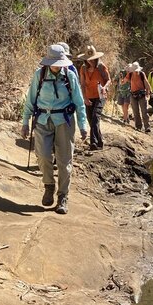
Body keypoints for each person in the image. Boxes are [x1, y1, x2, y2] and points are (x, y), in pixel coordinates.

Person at [22, 43, 88, 215]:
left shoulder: (70, 76)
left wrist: (83, 125)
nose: (57, 66)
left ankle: (63, 196)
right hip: (43, 119)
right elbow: (30, 99)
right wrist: (25, 122)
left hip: (64, 121)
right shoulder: (40, 74)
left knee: (64, 161)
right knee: (43, 156)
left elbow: (79, 102)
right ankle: (49, 185)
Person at [77, 44, 110, 150]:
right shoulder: (83, 68)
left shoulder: (101, 67)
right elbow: (82, 84)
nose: (90, 61)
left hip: (101, 96)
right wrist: (85, 98)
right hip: (88, 96)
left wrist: (104, 87)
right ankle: (99, 142)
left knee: (96, 117)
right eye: (88, 60)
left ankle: (93, 143)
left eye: (93, 59)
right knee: (91, 120)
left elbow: (109, 80)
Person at [126, 61, 152, 133]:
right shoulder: (130, 74)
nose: (136, 72)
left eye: (137, 70)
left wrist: (148, 91)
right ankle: (138, 127)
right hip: (133, 94)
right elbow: (125, 81)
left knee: (144, 111)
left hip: (142, 94)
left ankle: (147, 127)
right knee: (135, 111)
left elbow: (146, 83)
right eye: (135, 71)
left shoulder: (141, 74)